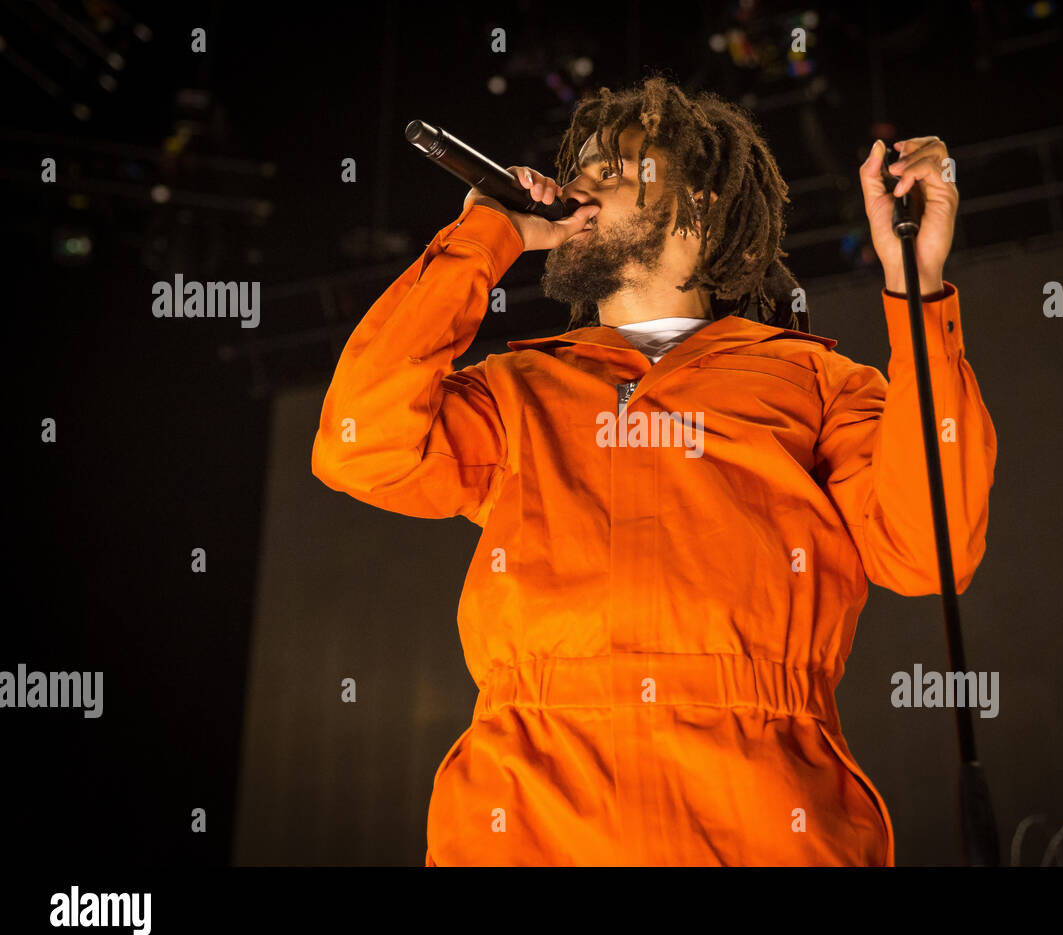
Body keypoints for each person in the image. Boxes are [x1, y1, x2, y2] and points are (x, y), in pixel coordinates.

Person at [311, 74, 996, 866]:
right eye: (581, 170)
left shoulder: (816, 384)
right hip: (524, 814)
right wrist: (484, 237)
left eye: (615, 169)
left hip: (762, 813)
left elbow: (927, 553)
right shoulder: (514, 391)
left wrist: (916, 286)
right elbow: (358, 445)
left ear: (700, 204)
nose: (579, 185)